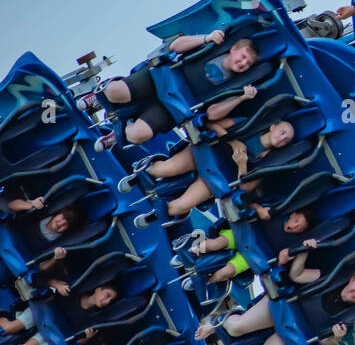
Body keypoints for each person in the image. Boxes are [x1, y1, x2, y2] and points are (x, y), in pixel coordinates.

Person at [196, 262, 355, 345]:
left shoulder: (347, 317)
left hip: (295, 332)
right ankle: (215, 324)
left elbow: (326, 343)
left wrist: (336, 338)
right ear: (352, 280)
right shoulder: (327, 277)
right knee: (237, 327)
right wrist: (302, 253)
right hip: (283, 308)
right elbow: (297, 275)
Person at [100, 32, 260, 144]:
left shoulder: (237, 85)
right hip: (162, 78)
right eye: (243, 56)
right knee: (115, 92)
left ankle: (118, 132)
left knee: (137, 135)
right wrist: (206, 38)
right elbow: (175, 46)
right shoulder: (214, 46)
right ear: (233, 49)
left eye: (248, 64)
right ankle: (101, 92)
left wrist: (241, 97)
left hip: (176, 105)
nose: (243, 63)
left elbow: (212, 114)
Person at [143, 120, 295, 220]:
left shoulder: (269, 162)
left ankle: (148, 214)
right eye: (282, 133)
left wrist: (242, 164)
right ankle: (142, 174)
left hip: (218, 176)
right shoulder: (251, 124)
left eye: (286, 140)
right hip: (208, 153)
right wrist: (233, 141)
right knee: (163, 170)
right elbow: (211, 123)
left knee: (180, 206)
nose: (282, 139)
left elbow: (244, 188)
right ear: (272, 126)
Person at [5, 196, 85, 244]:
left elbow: (42, 267)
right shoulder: (42, 209)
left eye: (67, 224)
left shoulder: (57, 244)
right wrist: (31, 205)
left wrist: (55, 258)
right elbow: (11, 205)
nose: (61, 223)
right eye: (64, 217)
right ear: (59, 213)